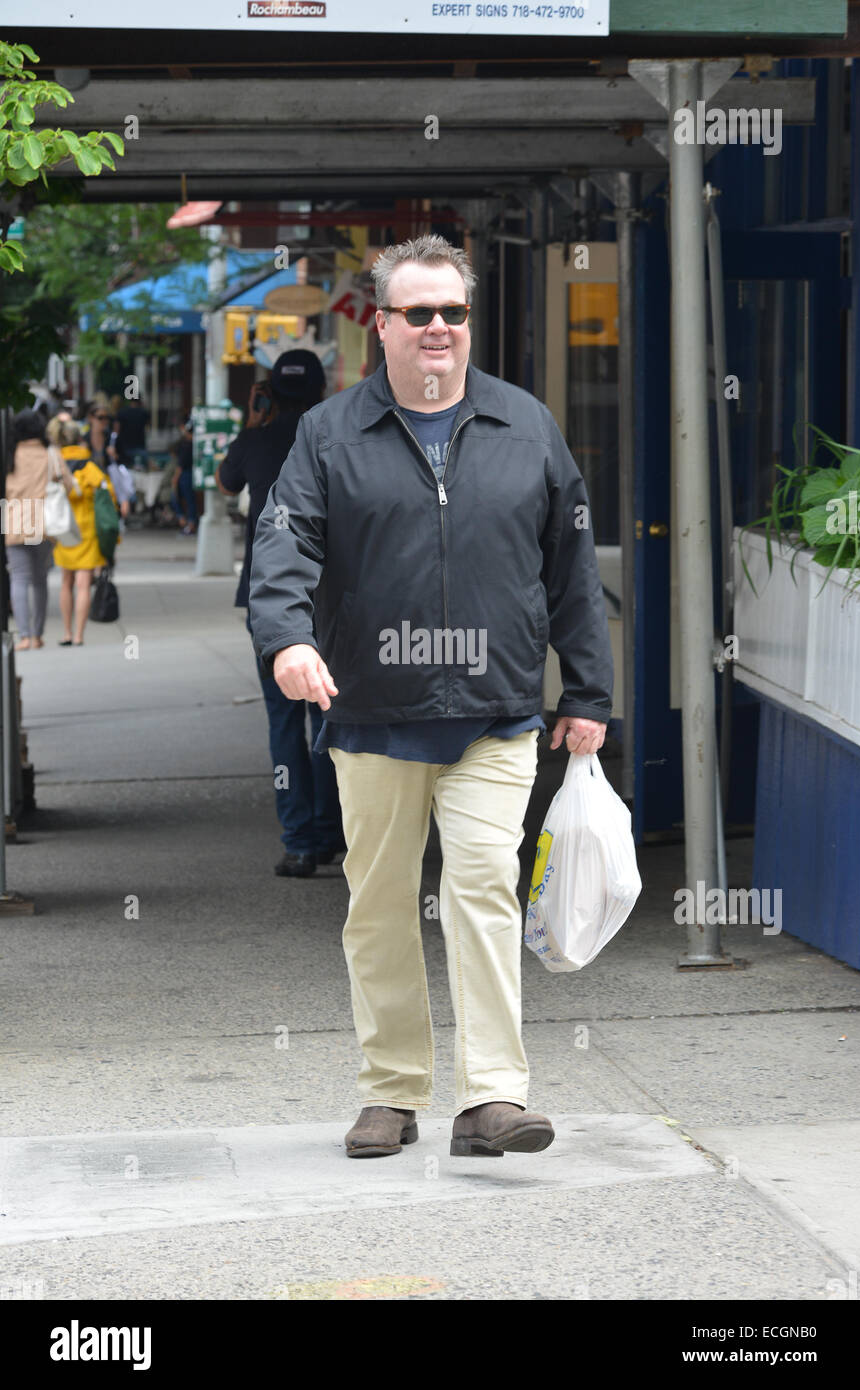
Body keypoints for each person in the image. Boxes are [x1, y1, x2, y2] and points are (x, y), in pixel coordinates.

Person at [249, 235, 614, 1160]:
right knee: (376, 907)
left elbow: (570, 568)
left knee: (483, 888)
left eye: (454, 311)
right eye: (420, 313)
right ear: (383, 325)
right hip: (372, 714)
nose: (441, 328)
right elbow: (282, 550)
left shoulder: (524, 425)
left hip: (496, 713)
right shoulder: (328, 436)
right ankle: (391, 1092)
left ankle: (493, 1095)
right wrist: (289, 638)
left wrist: (589, 691)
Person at [217, 351, 343, 877]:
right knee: (331, 720)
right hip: (328, 598)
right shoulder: (337, 440)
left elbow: (225, 482)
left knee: (284, 720)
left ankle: (297, 842)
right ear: (322, 389)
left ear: (270, 393)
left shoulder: (256, 440)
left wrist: (254, 420)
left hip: (268, 598)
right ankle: (333, 834)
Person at [5, 410, 76, 651]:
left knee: (19, 578)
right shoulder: (51, 454)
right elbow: (69, 484)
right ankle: (37, 635)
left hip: (14, 519)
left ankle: (24, 636)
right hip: (44, 523)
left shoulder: (9, 453)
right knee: (39, 580)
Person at [50, 419, 119, 646]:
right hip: (86, 531)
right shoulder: (89, 467)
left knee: (66, 582)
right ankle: (79, 635)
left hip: (62, 531)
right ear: (80, 439)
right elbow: (108, 496)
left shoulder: (55, 466)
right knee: (82, 584)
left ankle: (66, 633)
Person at [170, 416, 198, 535]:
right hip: (190, 474)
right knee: (190, 500)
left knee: (182, 499)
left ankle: (188, 523)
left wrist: (175, 479)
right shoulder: (194, 444)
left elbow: (180, 466)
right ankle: (189, 523)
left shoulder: (187, 445)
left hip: (185, 475)